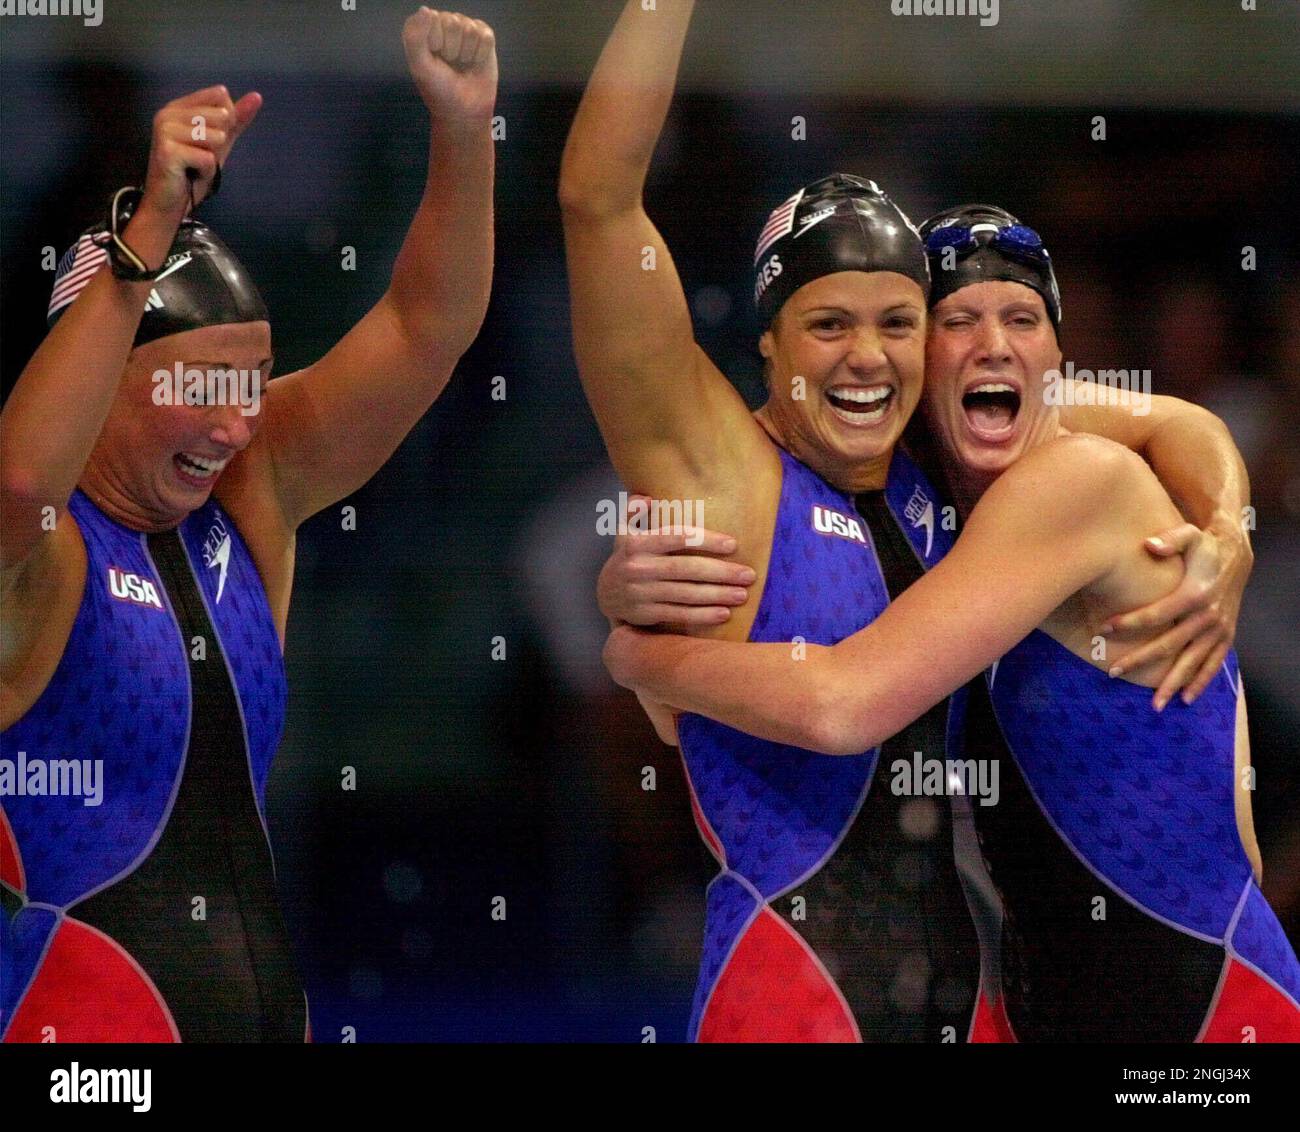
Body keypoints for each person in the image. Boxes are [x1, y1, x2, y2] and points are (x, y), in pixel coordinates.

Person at [563, 0, 1252, 1042]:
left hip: (997, 1010)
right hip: (795, 998)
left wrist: (1230, 525)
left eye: (895, 324)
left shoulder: (964, 477)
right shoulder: (727, 468)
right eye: (828, 324)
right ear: (770, 352)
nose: (866, 356)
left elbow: (1173, 416)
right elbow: (598, 201)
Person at [0, 8, 497, 1042]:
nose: (236, 421)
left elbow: (425, 327)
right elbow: (18, 479)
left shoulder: (248, 495)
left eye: (253, 381)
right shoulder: (35, 553)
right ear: (104, 376)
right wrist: (145, 233)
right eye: (201, 382)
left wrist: (462, 135)